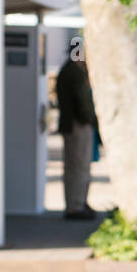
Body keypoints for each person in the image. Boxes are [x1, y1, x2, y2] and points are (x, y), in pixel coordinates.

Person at [55, 46, 97, 221]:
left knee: (75, 166)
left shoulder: (68, 70)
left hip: (74, 125)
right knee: (79, 166)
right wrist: (90, 119)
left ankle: (77, 202)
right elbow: (83, 102)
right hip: (77, 125)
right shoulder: (74, 72)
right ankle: (76, 205)